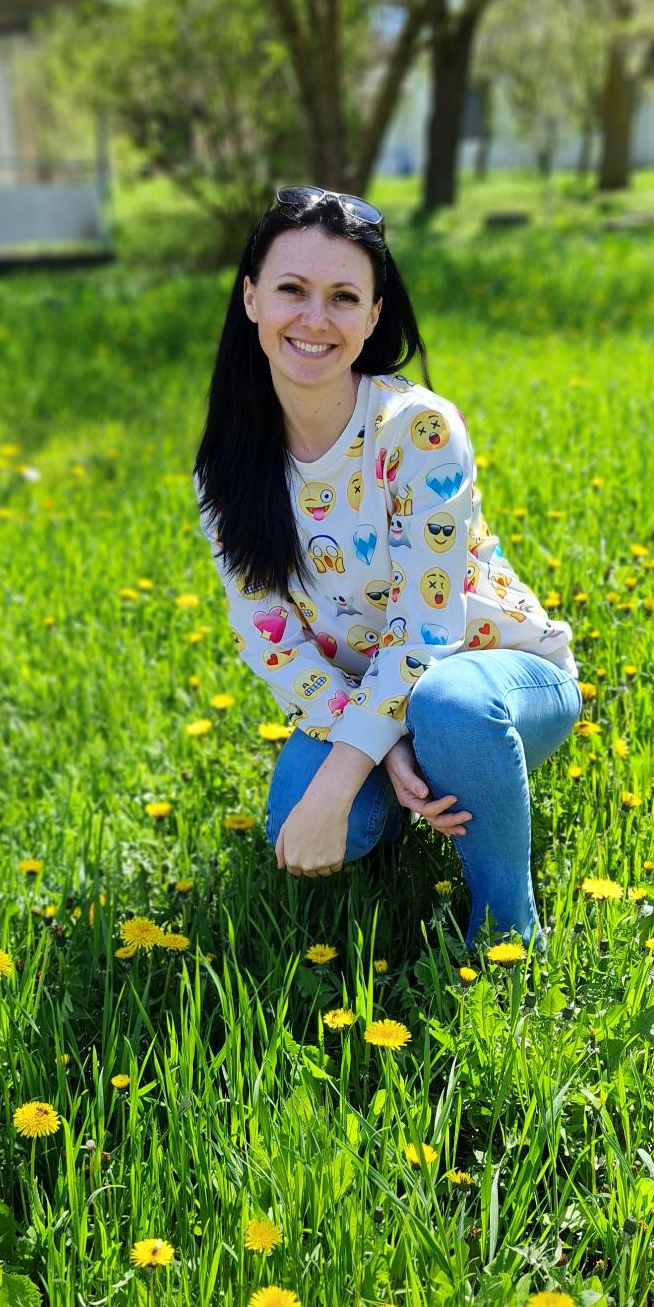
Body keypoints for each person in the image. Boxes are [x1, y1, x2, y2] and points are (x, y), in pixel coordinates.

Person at [192, 186, 582, 952]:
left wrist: (345, 777)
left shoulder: (417, 429)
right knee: (292, 818)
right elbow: (272, 642)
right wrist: (380, 746)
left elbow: (428, 626)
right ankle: (416, 782)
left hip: (492, 677)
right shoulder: (230, 468)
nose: (314, 319)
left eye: (343, 297)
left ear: (372, 318)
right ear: (250, 300)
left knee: (447, 710)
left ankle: (508, 923)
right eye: (291, 291)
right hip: (379, 696)